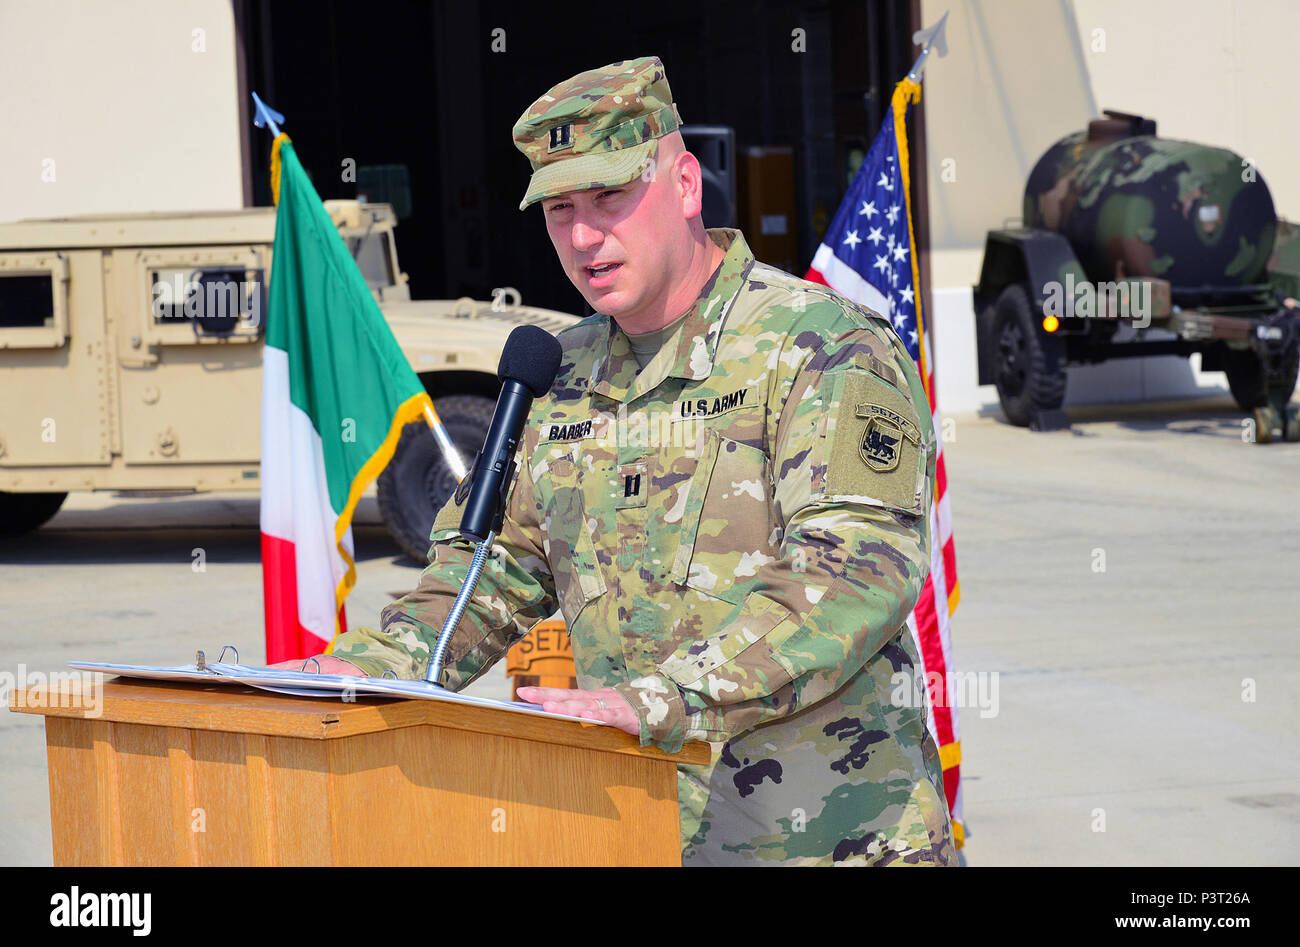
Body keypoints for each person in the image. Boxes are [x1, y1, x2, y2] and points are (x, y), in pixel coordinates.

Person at [277, 55, 956, 866]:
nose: (584, 234)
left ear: (684, 185)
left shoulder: (821, 347)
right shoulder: (554, 377)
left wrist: (660, 701)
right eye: (560, 207)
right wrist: (342, 677)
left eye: (610, 197)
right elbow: (484, 583)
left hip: (832, 844)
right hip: (640, 836)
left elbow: (854, 575)